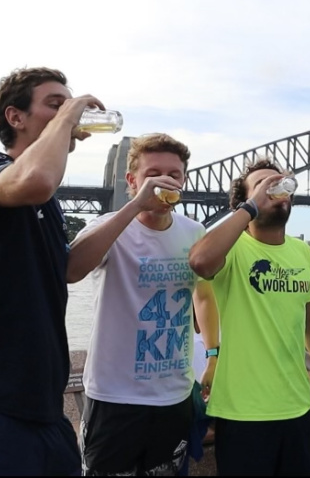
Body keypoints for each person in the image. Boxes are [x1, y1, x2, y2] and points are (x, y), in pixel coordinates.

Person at [0, 68, 105, 475]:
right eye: (54, 103)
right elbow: (36, 180)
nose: (69, 112)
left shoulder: (47, 200)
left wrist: (134, 209)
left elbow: (68, 269)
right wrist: (69, 115)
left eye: (68, 102)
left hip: (44, 410)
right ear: (16, 117)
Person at [188, 158, 310, 476]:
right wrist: (252, 206)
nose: (275, 189)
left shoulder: (301, 252)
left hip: (296, 407)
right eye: (264, 185)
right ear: (245, 201)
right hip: (242, 413)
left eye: (281, 184)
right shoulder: (232, 248)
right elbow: (200, 262)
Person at [66, 133, 220, 475]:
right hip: (113, 397)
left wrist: (212, 354)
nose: (165, 181)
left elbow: (205, 298)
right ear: (132, 180)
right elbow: (71, 270)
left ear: (184, 181)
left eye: (174, 174)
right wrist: (136, 205)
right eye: (153, 174)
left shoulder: (195, 232)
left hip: (174, 396)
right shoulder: (106, 227)